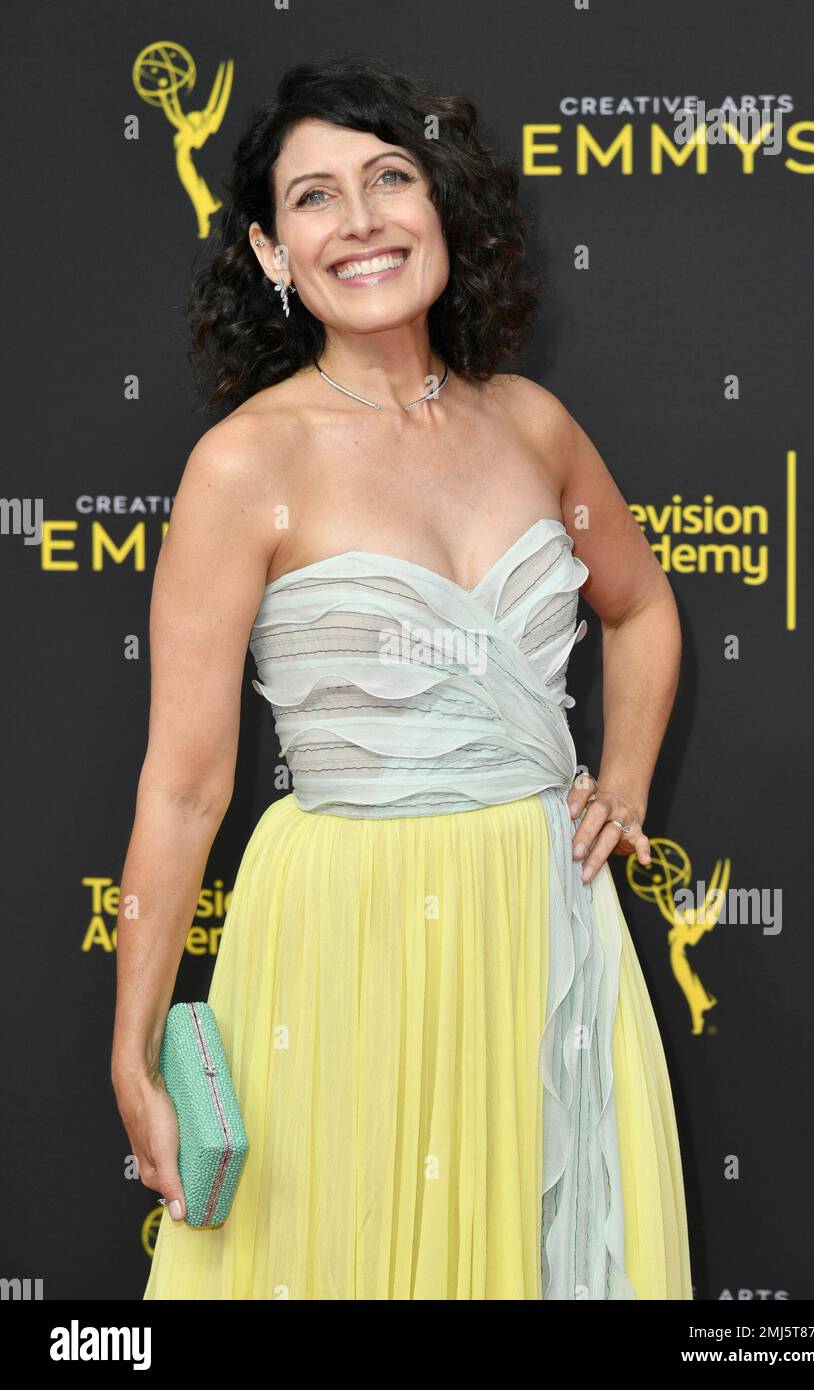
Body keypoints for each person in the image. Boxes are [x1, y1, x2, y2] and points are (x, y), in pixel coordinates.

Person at [112, 55, 692, 1300]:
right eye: (314, 198)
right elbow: (182, 790)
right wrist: (134, 1056)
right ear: (272, 254)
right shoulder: (243, 465)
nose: (361, 219)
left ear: (442, 210)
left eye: (389, 178)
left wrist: (623, 785)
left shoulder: (530, 425)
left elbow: (639, 609)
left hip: (541, 919)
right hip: (345, 941)